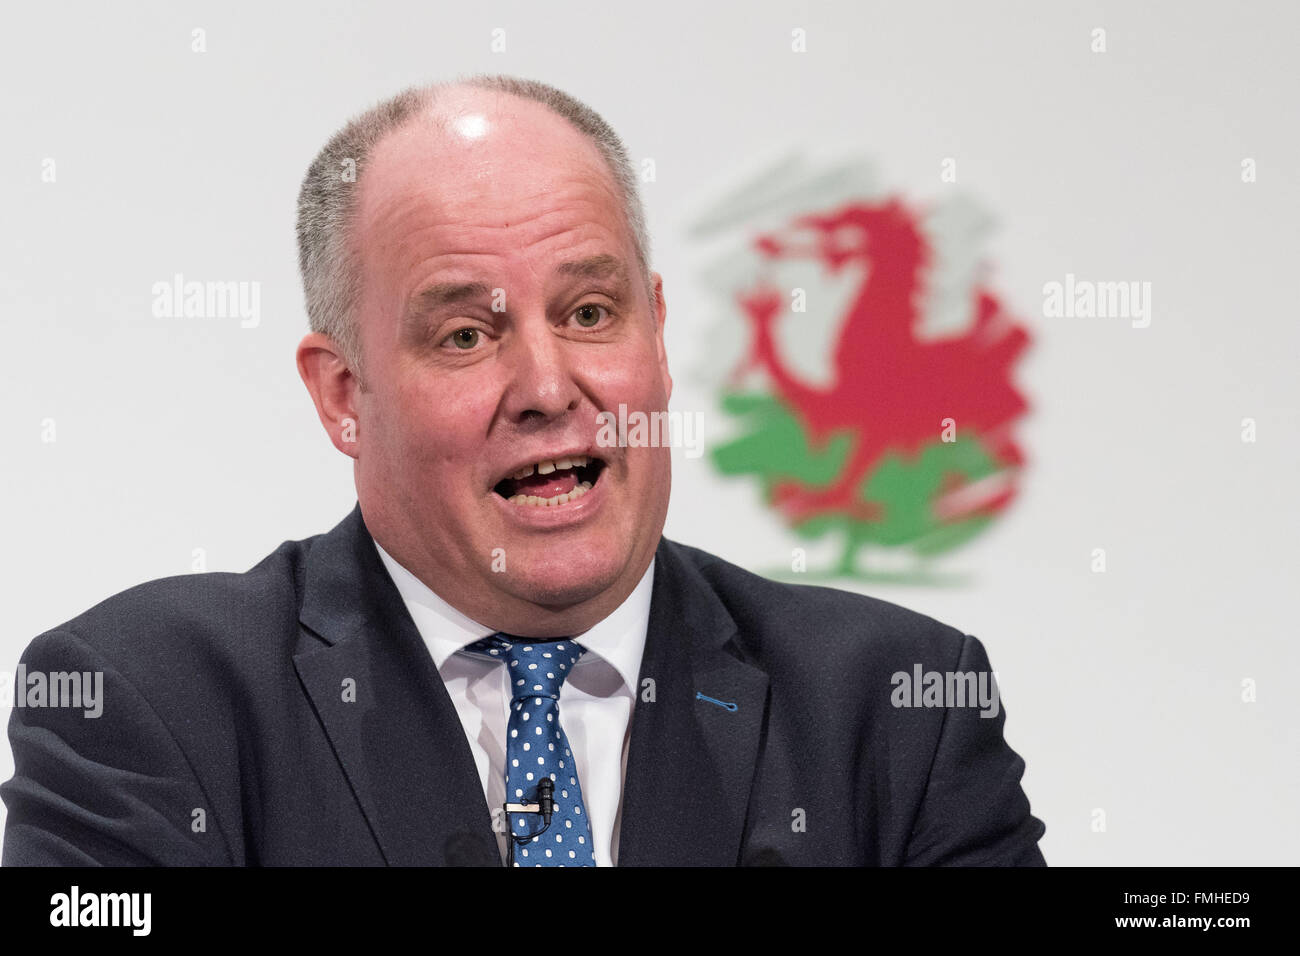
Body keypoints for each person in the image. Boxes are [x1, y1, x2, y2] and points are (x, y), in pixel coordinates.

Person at [1, 74, 1046, 866]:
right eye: (463, 334)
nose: (548, 384)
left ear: (661, 331)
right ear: (341, 394)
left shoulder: (894, 710)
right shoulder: (147, 704)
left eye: (591, 313)